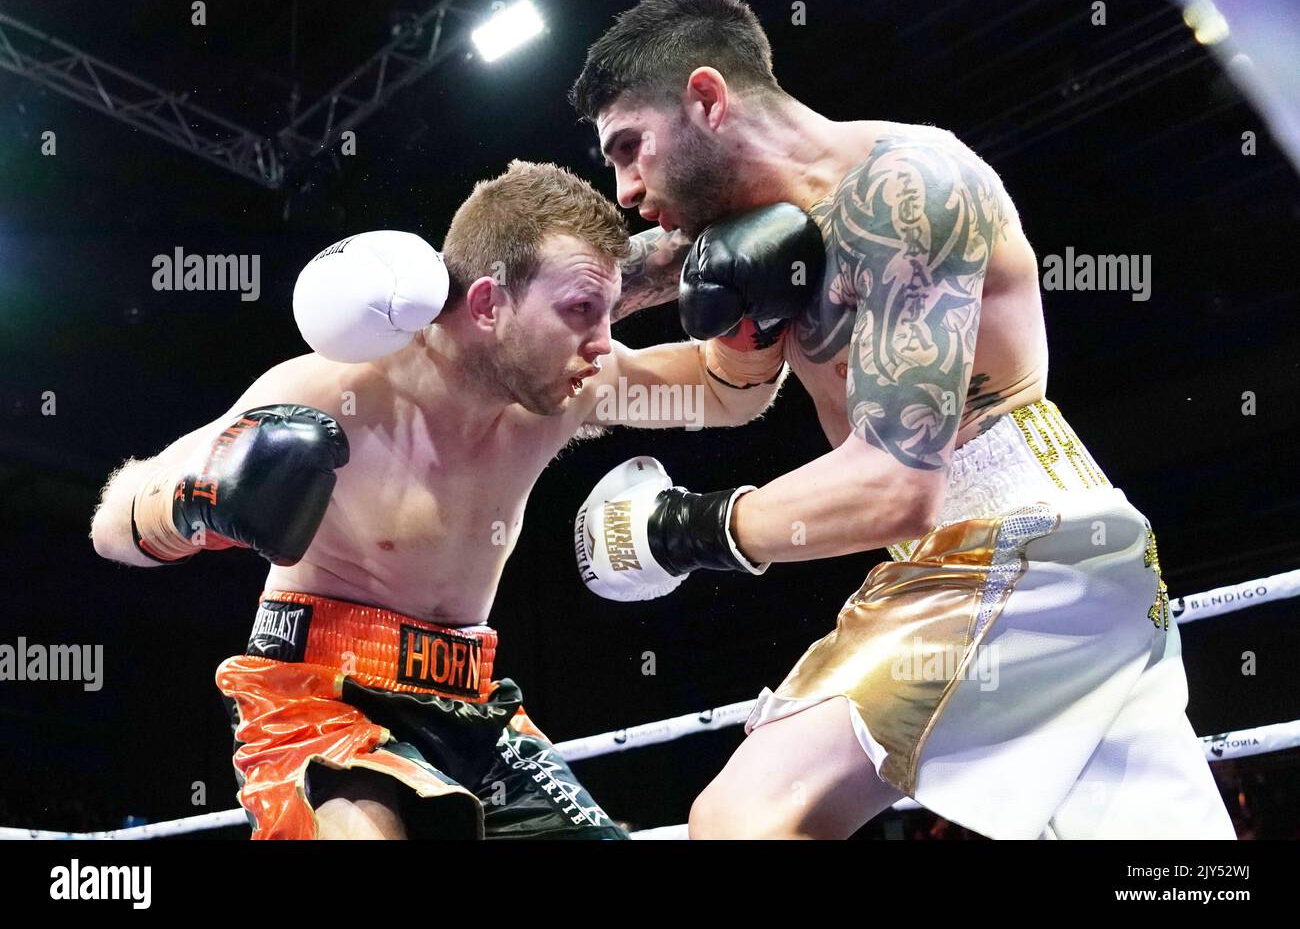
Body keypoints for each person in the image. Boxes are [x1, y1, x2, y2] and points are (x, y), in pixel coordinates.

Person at [569, 0, 1235, 839]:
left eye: (630, 149)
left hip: (1023, 544)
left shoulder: (906, 191)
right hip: (1028, 562)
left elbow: (893, 486)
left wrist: (682, 529)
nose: (625, 187)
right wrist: (538, 348)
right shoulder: (760, 234)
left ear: (706, 99)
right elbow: (717, 382)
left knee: (746, 818)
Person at [89, 159, 813, 839]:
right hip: (319, 693)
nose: (603, 344)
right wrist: (189, 500)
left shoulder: (570, 388)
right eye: (581, 310)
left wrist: (754, 319)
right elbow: (111, 523)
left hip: (471, 697)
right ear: (490, 303)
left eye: (608, 313)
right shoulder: (331, 391)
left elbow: (723, 393)